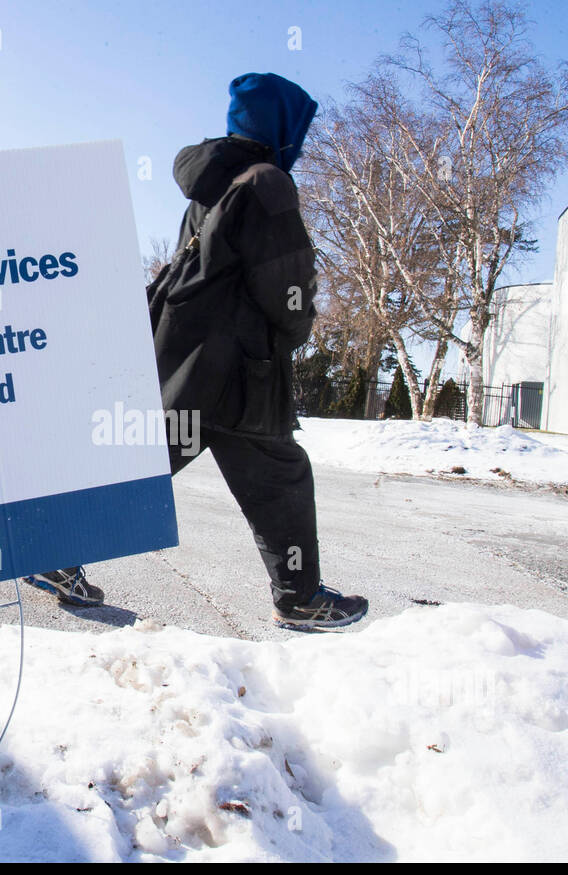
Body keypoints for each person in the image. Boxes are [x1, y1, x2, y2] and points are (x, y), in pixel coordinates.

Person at [27, 72, 368, 631]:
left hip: (190, 364)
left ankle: (50, 552)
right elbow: (285, 285)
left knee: (146, 466)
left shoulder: (216, 185)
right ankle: (300, 598)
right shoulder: (267, 183)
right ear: (283, 126)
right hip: (240, 374)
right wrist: (297, 324)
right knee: (280, 478)